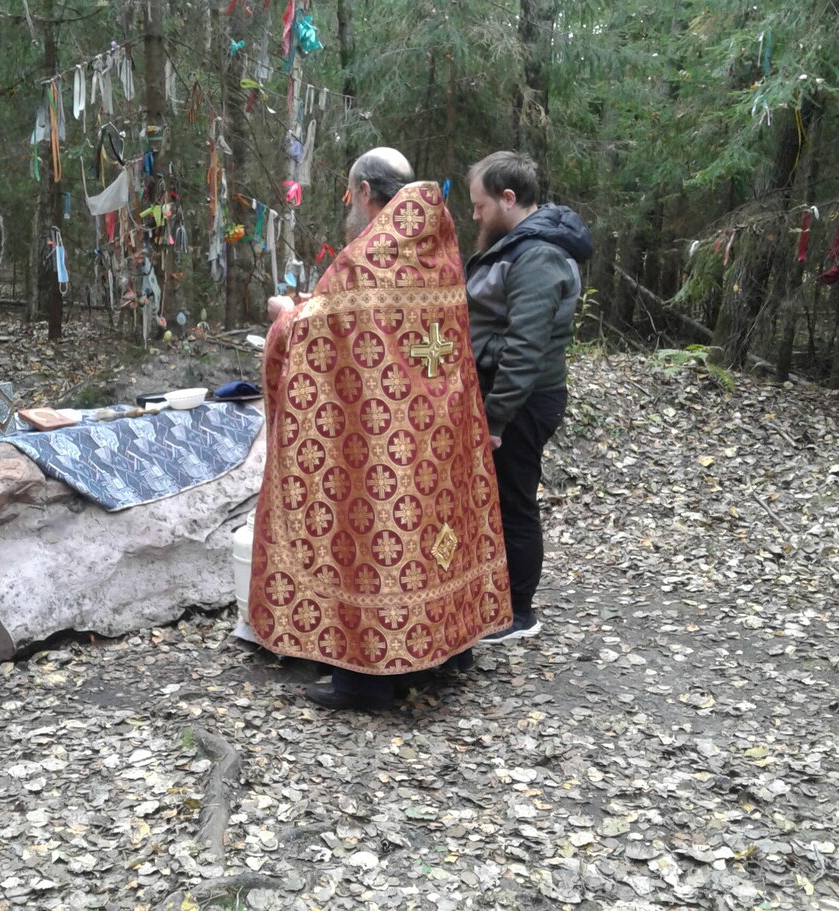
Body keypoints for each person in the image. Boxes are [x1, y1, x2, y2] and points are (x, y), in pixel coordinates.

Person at [249, 147, 513, 710]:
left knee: (382, 535)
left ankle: (367, 681)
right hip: (437, 432)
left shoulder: (368, 255)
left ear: (366, 192)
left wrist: (284, 315)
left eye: (349, 196)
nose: (350, 208)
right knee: (433, 536)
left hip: (380, 436)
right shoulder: (438, 249)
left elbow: (319, 329)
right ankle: (444, 654)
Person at [465, 151, 592, 644]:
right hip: (505, 395)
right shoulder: (517, 246)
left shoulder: (537, 256)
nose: (475, 215)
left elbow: (525, 348)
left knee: (513, 501)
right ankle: (496, 599)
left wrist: (496, 419)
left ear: (508, 198)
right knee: (497, 498)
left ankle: (519, 613)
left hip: (521, 400)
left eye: (480, 206)